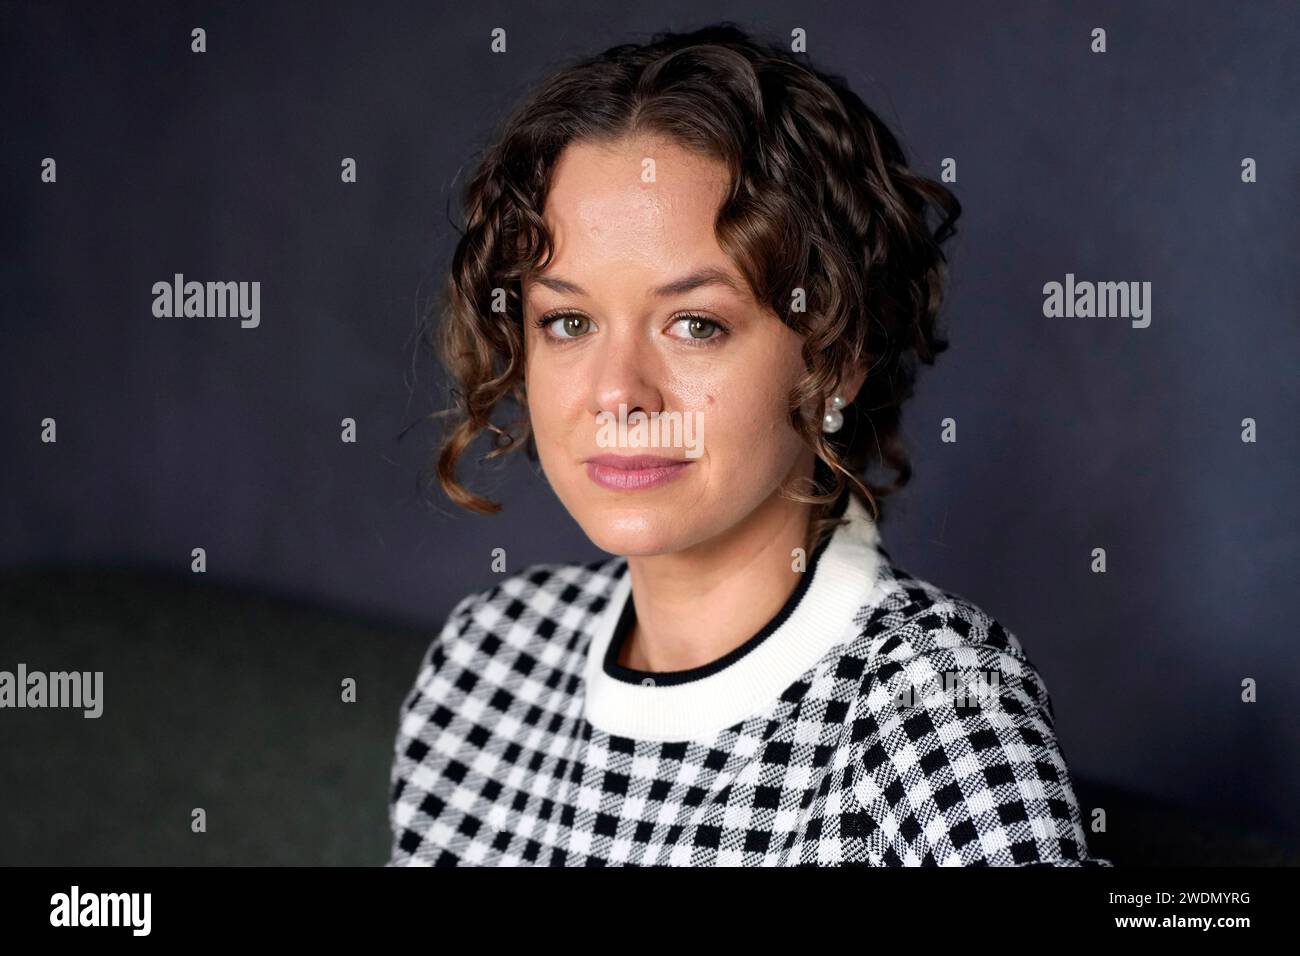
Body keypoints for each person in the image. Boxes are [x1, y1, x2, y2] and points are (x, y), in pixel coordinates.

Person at [388, 23, 1110, 866]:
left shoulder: (935, 703)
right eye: (568, 321)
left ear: (834, 357)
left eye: (696, 324)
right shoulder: (487, 659)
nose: (618, 393)